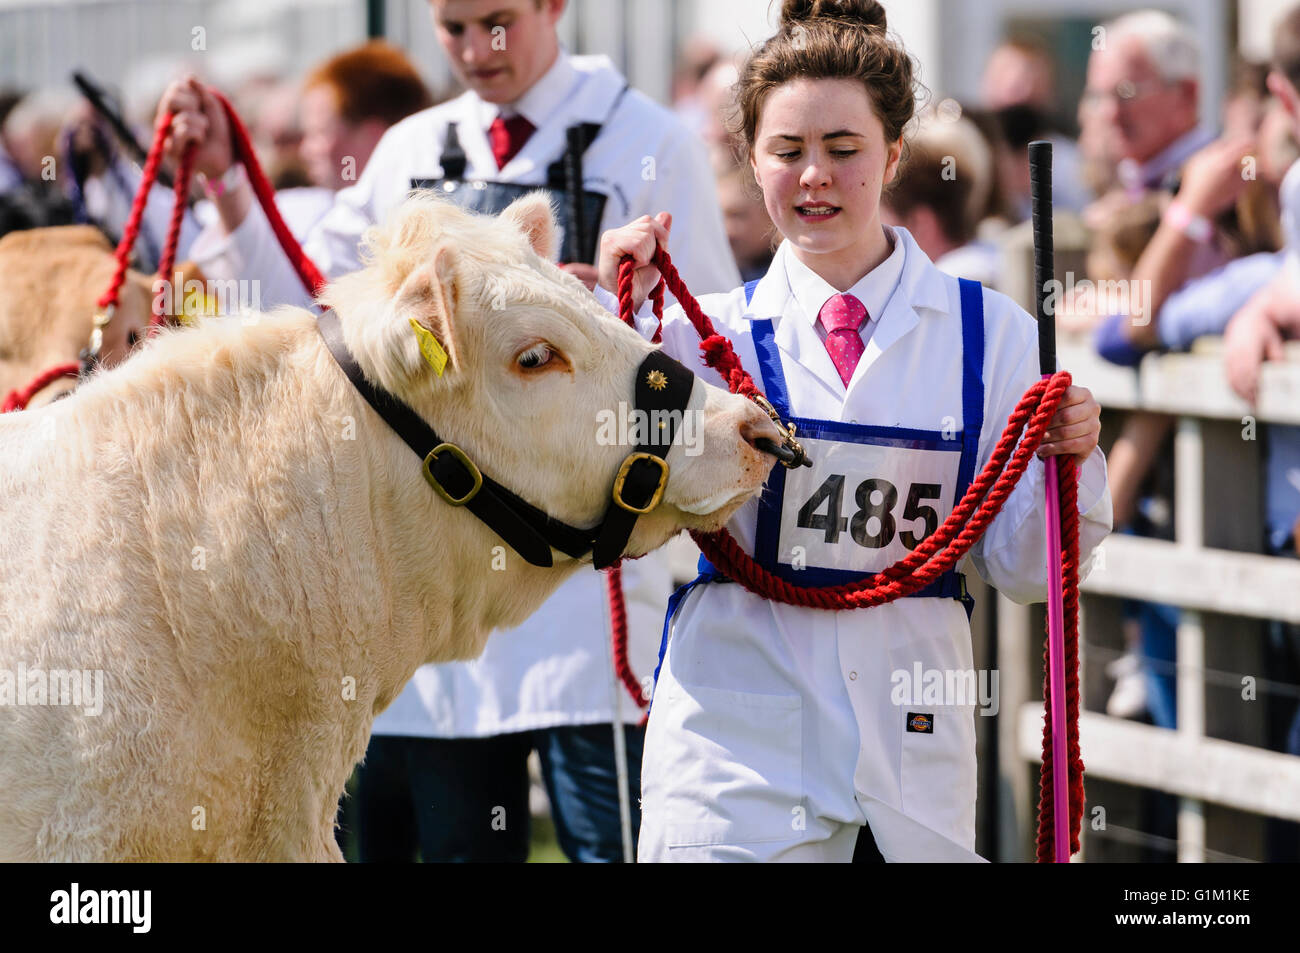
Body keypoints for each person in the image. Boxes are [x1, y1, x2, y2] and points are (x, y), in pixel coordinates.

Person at [157, 0, 737, 863]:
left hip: (588, 599)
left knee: (614, 848)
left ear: (553, 6)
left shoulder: (650, 141)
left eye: (496, 19)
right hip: (441, 603)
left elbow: (709, 336)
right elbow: (315, 303)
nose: (478, 49)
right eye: (453, 27)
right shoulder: (411, 151)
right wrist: (227, 179)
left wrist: (605, 316)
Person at [591, 0, 1112, 862]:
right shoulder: (689, 338)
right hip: (732, 745)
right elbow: (602, 522)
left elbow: (1026, 572)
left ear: (895, 153)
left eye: (844, 151)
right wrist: (616, 324)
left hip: (912, 741)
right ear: (750, 158)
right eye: (787, 152)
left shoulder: (991, 334)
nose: (814, 178)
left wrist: (1073, 456)